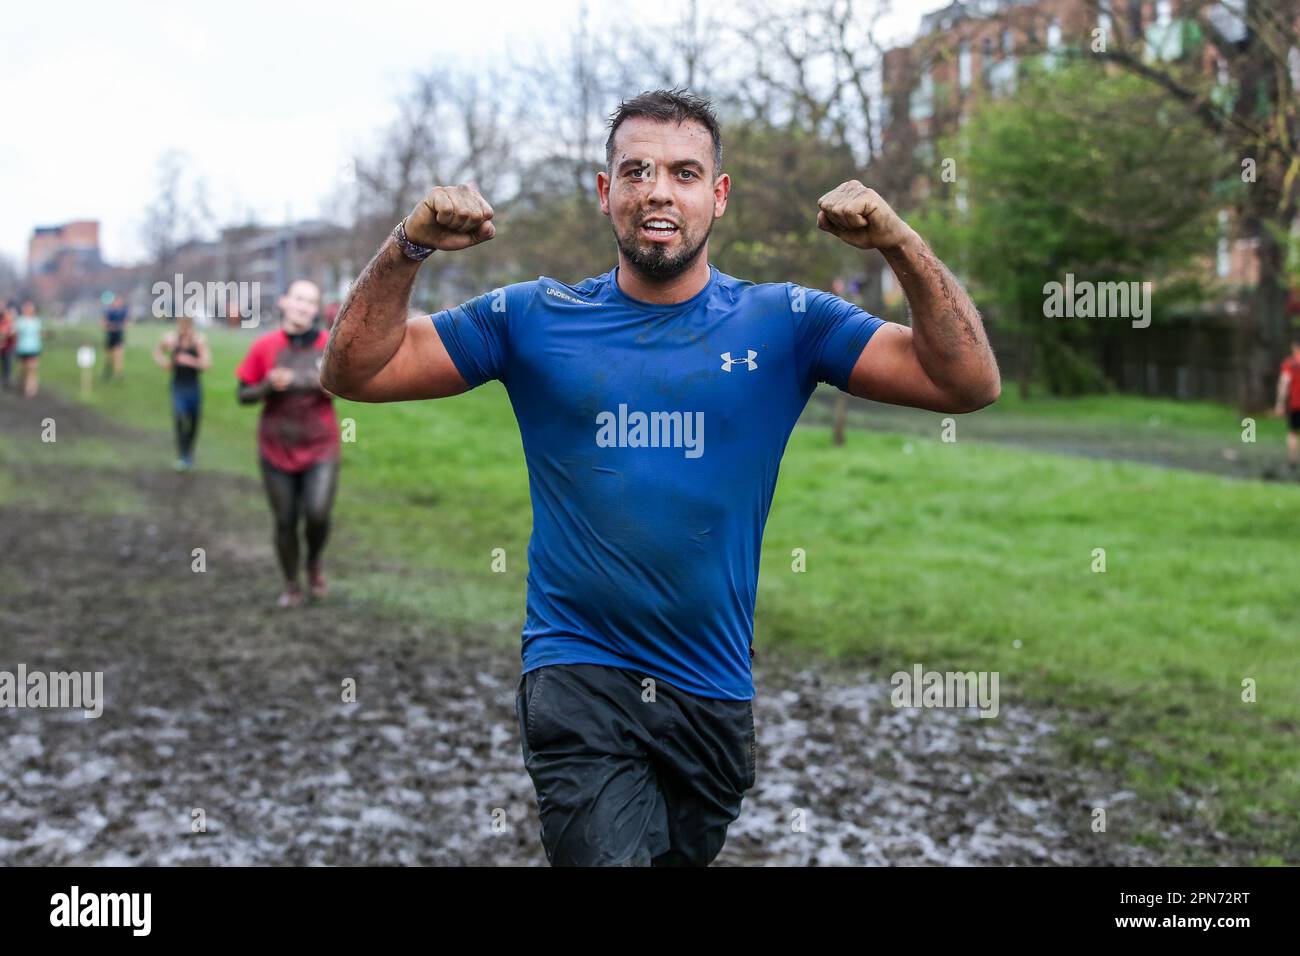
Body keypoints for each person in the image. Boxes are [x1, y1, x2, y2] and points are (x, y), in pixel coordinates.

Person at [320, 89, 1001, 866]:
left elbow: (966, 384)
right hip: (577, 671)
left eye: (683, 172)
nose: (658, 192)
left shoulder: (787, 323)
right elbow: (355, 370)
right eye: (636, 171)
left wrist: (900, 244)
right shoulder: (530, 319)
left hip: (712, 690)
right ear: (606, 191)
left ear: (717, 196)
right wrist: (409, 244)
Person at [237, 280, 340, 607]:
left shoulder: (330, 345)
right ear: (284, 302)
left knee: (317, 514)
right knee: (284, 520)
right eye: (298, 299)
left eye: (311, 301)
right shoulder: (264, 345)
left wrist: (331, 387)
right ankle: (291, 584)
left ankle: (313, 562)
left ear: (317, 309)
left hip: (321, 445)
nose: (303, 306)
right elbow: (242, 394)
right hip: (275, 445)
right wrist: (267, 385)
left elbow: (349, 388)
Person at [153, 313, 211, 470]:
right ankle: (182, 454)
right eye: (181, 325)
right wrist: (163, 362)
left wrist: (190, 361)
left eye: (186, 325)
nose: (183, 329)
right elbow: (159, 353)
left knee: (193, 421)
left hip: (193, 386)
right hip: (178, 385)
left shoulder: (198, 341)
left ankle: (189, 452)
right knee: (179, 417)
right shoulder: (172, 340)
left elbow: (207, 364)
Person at [1274, 334, 1300, 475]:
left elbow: (1284, 383)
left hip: (1296, 405)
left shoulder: (1290, 364)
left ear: (1294, 346)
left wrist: (1280, 404)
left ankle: (1293, 461)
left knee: (1293, 433)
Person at [14, 301, 44, 399]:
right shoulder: (20, 321)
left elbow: (40, 333)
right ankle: (24, 384)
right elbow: (15, 333)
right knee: (24, 369)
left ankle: (31, 389)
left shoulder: (36, 321)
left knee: (32, 368)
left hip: (34, 348)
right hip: (22, 348)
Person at [102, 294, 129, 381]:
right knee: (109, 355)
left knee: (119, 355)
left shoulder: (123, 311)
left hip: (119, 335)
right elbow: (104, 323)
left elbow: (125, 323)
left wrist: (119, 326)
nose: (118, 303)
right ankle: (108, 370)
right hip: (110, 335)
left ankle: (119, 373)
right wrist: (111, 326)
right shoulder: (110, 311)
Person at [0, 303, 15, 391]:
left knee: (7, 364)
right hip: (2, 347)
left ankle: (7, 379)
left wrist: (9, 334)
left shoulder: (11, 324)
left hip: (8, 347)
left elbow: (13, 336)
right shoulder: (1, 323)